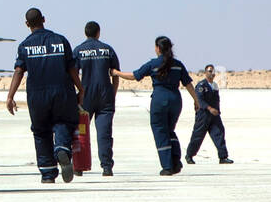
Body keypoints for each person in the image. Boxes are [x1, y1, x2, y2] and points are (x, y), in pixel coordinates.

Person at [6, 8, 84, 183]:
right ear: (44, 19)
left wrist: (10, 96)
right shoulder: (61, 41)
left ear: (27, 24)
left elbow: (19, 71)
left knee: (41, 131)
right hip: (62, 92)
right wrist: (81, 89)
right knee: (63, 122)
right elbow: (72, 68)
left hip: (37, 95)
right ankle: (62, 149)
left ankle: (48, 173)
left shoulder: (24, 46)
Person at [111, 37, 203, 176]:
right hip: (175, 100)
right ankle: (175, 159)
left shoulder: (153, 64)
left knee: (160, 131)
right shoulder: (178, 64)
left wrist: (116, 73)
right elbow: (188, 84)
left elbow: (134, 76)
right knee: (170, 130)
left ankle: (167, 166)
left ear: (158, 48)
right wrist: (196, 100)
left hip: (160, 100)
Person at [73, 21, 119, 176]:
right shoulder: (107, 49)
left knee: (81, 132)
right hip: (105, 95)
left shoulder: (79, 50)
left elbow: (73, 73)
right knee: (104, 133)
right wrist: (113, 93)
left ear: (85, 33)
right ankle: (107, 167)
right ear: (98, 33)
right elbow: (115, 74)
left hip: (85, 96)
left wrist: (78, 92)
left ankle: (79, 166)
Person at [186, 64, 233, 165]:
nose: (212, 73)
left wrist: (217, 111)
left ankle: (223, 157)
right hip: (203, 114)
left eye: (213, 71)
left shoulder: (215, 85)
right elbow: (199, 99)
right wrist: (209, 108)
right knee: (198, 136)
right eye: (210, 71)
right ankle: (189, 155)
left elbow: (217, 99)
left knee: (219, 133)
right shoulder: (201, 85)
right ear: (205, 73)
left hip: (214, 115)